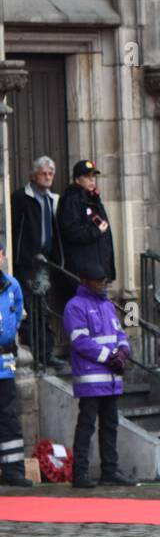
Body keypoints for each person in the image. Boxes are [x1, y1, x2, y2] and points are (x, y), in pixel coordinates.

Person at [64, 258, 134, 488]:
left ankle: (110, 470)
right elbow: (80, 341)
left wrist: (123, 353)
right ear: (85, 281)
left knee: (110, 424)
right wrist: (109, 357)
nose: (102, 285)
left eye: (104, 282)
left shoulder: (107, 305)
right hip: (91, 378)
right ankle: (80, 473)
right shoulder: (75, 306)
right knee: (87, 424)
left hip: (111, 378)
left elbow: (120, 334)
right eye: (98, 282)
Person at [11, 155, 65, 369]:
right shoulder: (21, 197)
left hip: (45, 263)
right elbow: (14, 229)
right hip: (25, 262)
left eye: (51, 174)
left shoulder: (52, 200)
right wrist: (19, 256)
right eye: (44, 173)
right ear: (33, 176)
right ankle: (33, 353)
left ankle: (46, 353)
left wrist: (57, 259)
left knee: (43, 309)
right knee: (27, 309)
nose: (48, 177)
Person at [57, 160, 116, 287]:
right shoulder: (72, 199)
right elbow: (71, 232)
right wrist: (96, 231)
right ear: (77, 180)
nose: (92, 181)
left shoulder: (93, 199)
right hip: (84, 273)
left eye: (93, 177)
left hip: (98, 271)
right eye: (87, 177)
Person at [0, 237, 29, 485]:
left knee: (8, 414)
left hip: (5, 362)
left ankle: (14, 470)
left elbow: (17, 312)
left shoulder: (12, 285)